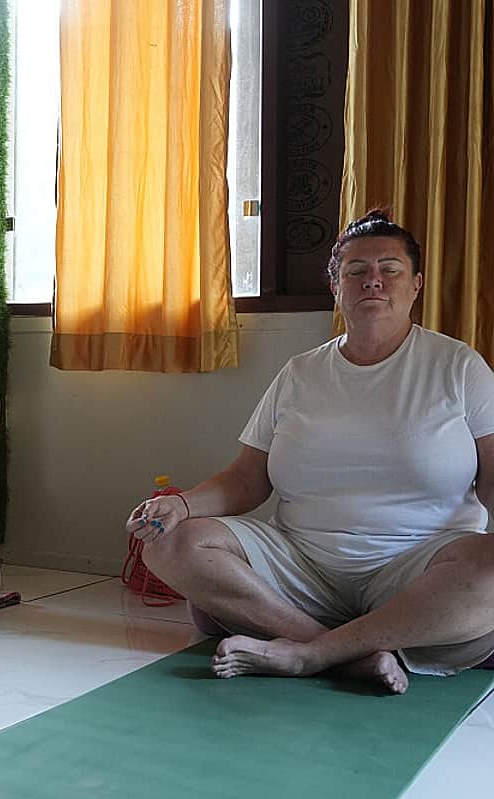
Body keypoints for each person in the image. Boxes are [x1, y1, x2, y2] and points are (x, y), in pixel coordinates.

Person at [128, 210, 494, 694]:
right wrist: (181, 505)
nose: (373, 282)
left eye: (390, 269)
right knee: (170, 543)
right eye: (355, 271)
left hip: (417, 568)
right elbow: (245, 480)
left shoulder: (458, 366)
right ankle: (348, 652)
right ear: (336, 287)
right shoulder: (300, 373)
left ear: (416, 284)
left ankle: (309, 653)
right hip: (303, 569)